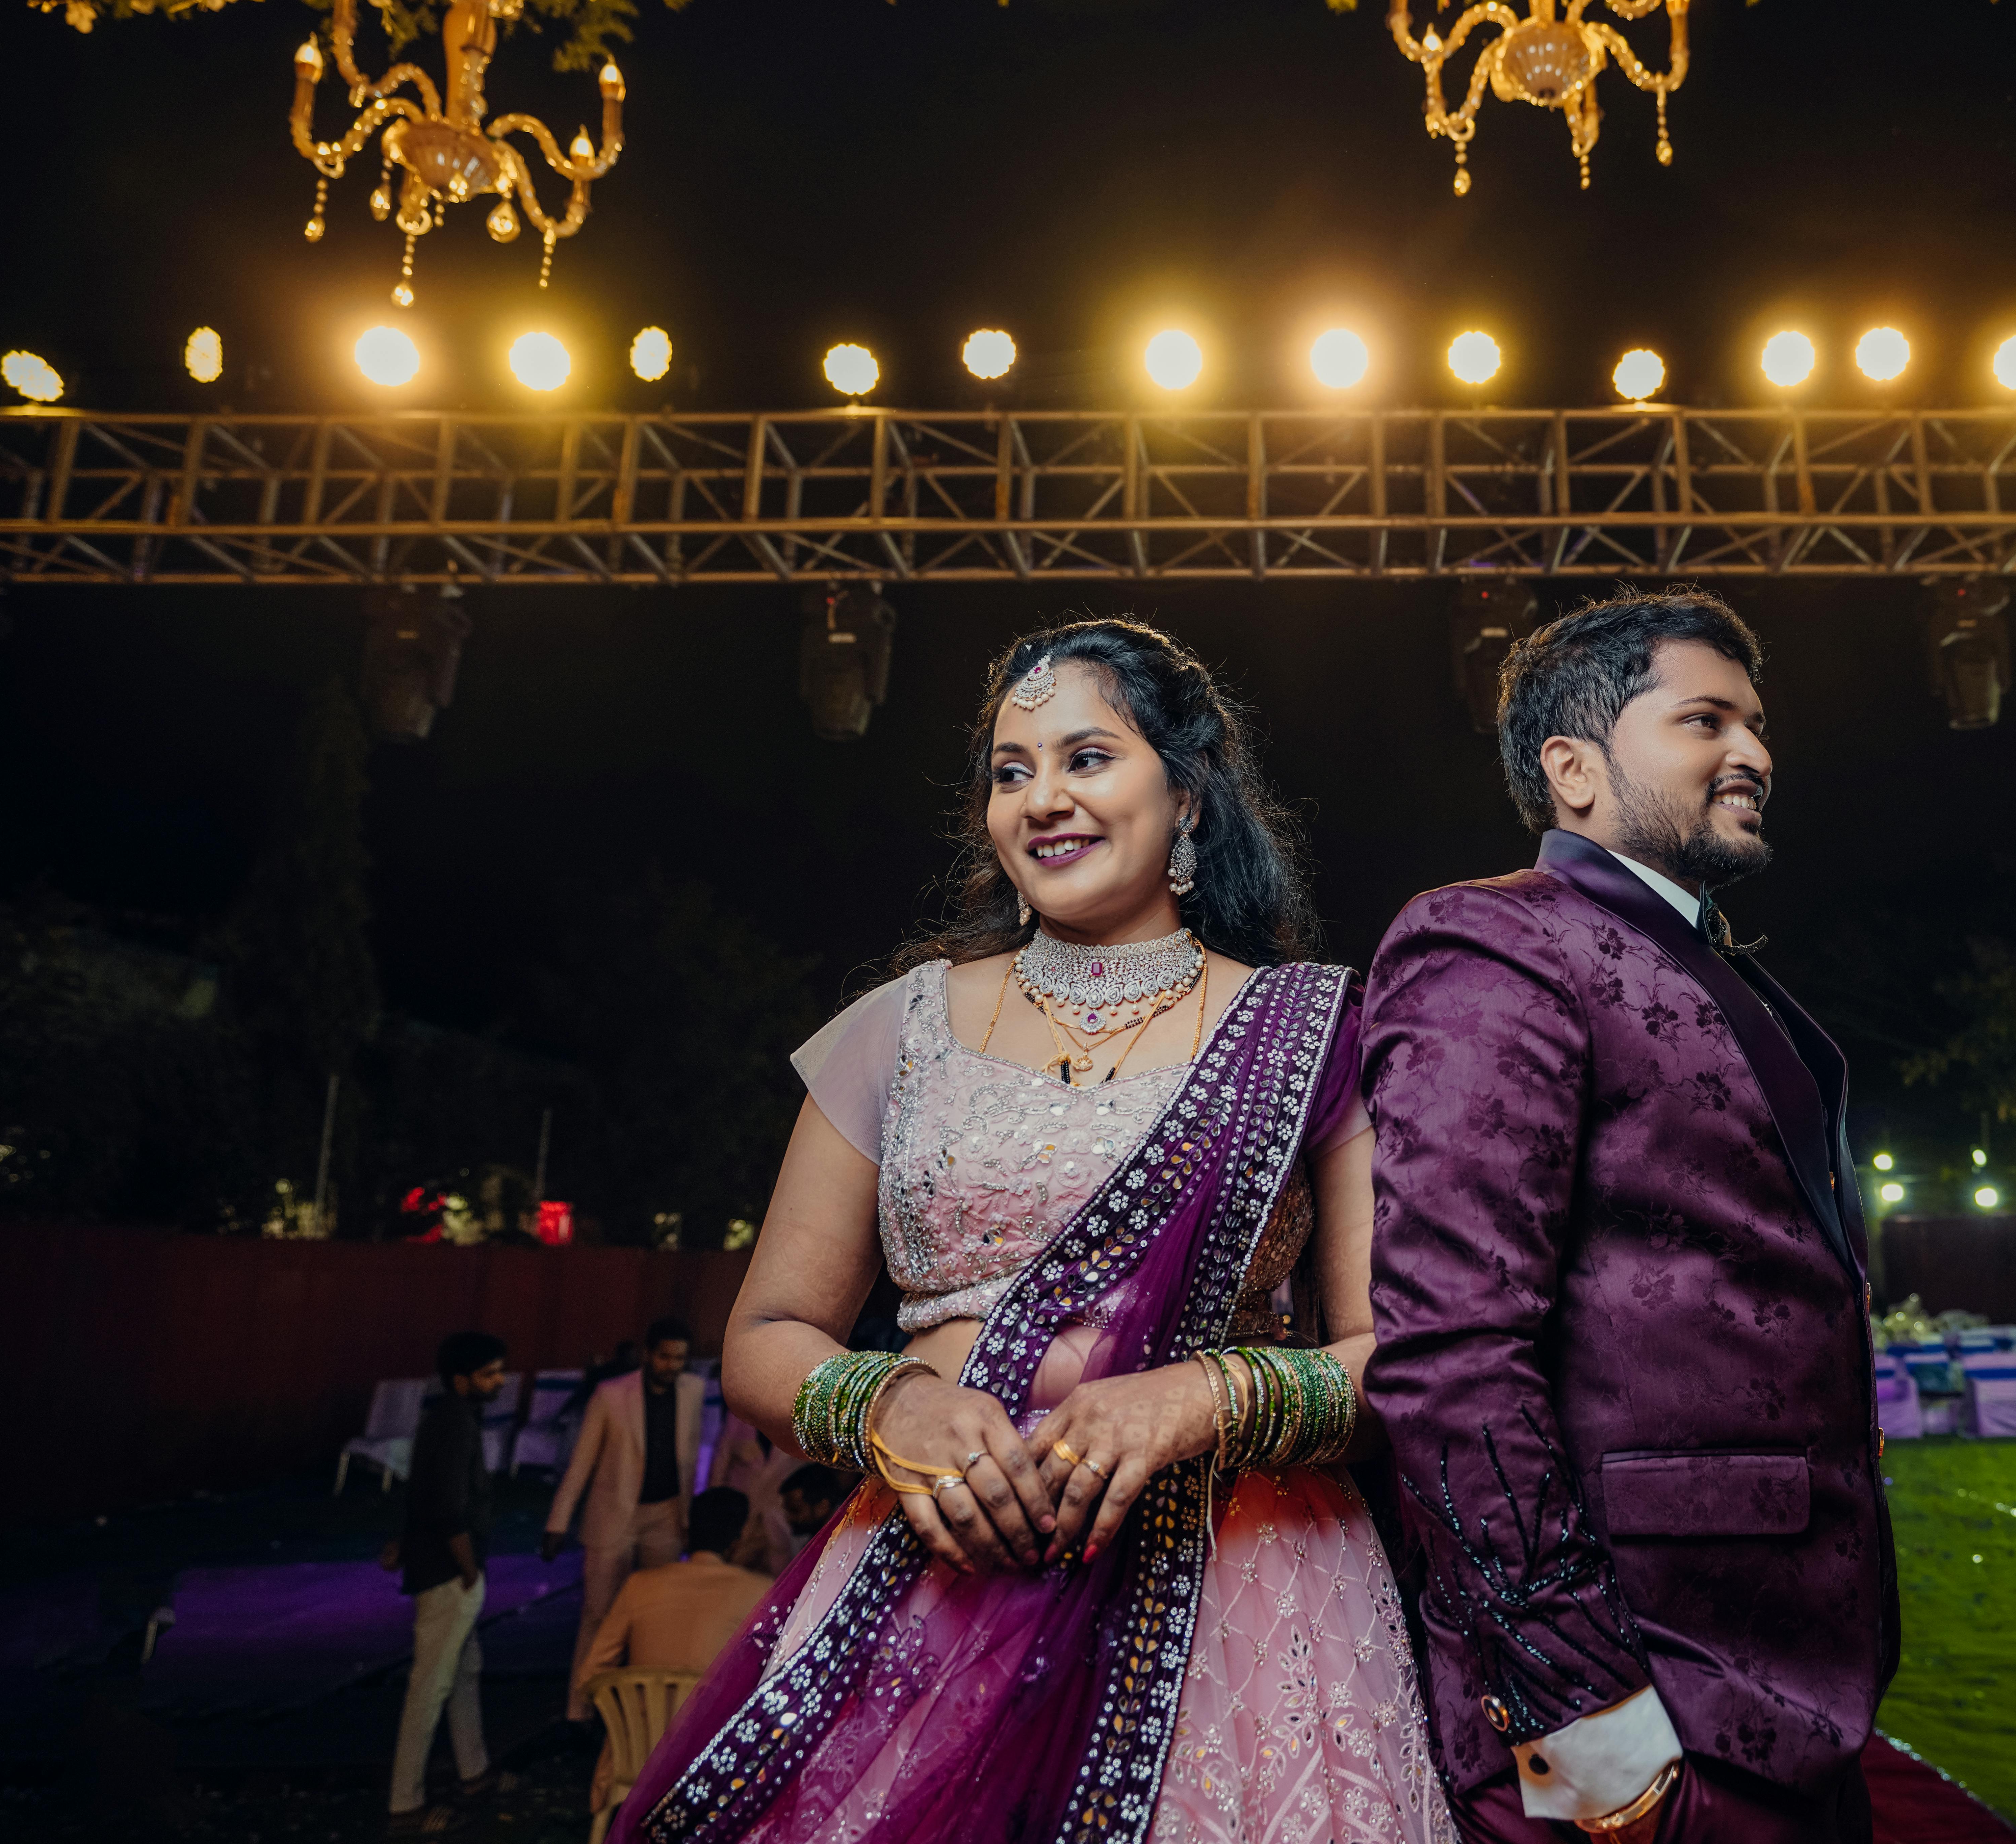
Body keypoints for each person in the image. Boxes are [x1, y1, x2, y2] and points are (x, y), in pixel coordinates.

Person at [616, 621, 1455, 1844]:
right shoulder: (893, 1029)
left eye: (1086, 757)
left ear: (1187, 795)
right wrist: (885, 1406)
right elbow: (763, 1334)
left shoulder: (1320, 1032)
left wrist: (1203, 1399)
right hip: (924, 1576)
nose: (1042, 799)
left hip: (1235, 1595)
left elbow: (1407, 1361)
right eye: (1011, 771)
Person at [1364, 587, 1895, 1844]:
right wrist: (1592, 1734)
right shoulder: (1489, 941)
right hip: (1630, 1707)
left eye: (1756, 723)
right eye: (1703, 719)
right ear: (1573, 767)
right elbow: (1448, 1355)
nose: (1754, 753)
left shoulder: (1712, 962)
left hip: (1791, 1684)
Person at [543, 1316, 705, 1720]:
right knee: (598, 1614)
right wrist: (557, 1522)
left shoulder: (693, 1391)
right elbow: (581, 1462)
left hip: (667, 1514)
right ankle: (579, 1710)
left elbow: (688, 1457)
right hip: (614, 1514)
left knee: (657, 1615)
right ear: (648, 1355)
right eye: (666, 1357)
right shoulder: (611, 1395)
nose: (672, 1366)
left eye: (680, 1359)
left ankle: (645, 1711)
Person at [575, 1488, 770, 1815]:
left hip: (637, 1756)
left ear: (688, 1531)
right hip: (716, 1759)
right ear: (739, 1538)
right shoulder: (761, 1593)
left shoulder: (641, 1584)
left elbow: (591, 1674)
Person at [389, 1332, 513, 1836]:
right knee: (432, 1685)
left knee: (463, 1672)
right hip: (449, 1571)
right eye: (489, 1374)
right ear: (463, 1381)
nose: (499, 1381)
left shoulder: (448, 1417)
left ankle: (474, 1773)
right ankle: (405, 1805)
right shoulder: (456, 1424)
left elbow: (426, 1491)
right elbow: (447, 1505)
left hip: (443, 1566)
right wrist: (467, 1569)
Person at [704, 1406, 801, 1574]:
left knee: (776, 1579)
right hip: (739, 1517)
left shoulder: (801, 1420)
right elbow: (721, 1461)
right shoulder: (739, 1413)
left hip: (779, 1521)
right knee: (730, 1574)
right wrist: (714, 1513)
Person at [771, 1461, 848, 1561]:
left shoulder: (845, 1541)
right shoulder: (808, 1542)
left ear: (822, 1507)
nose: (789, 1518)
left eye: (795, 1510)